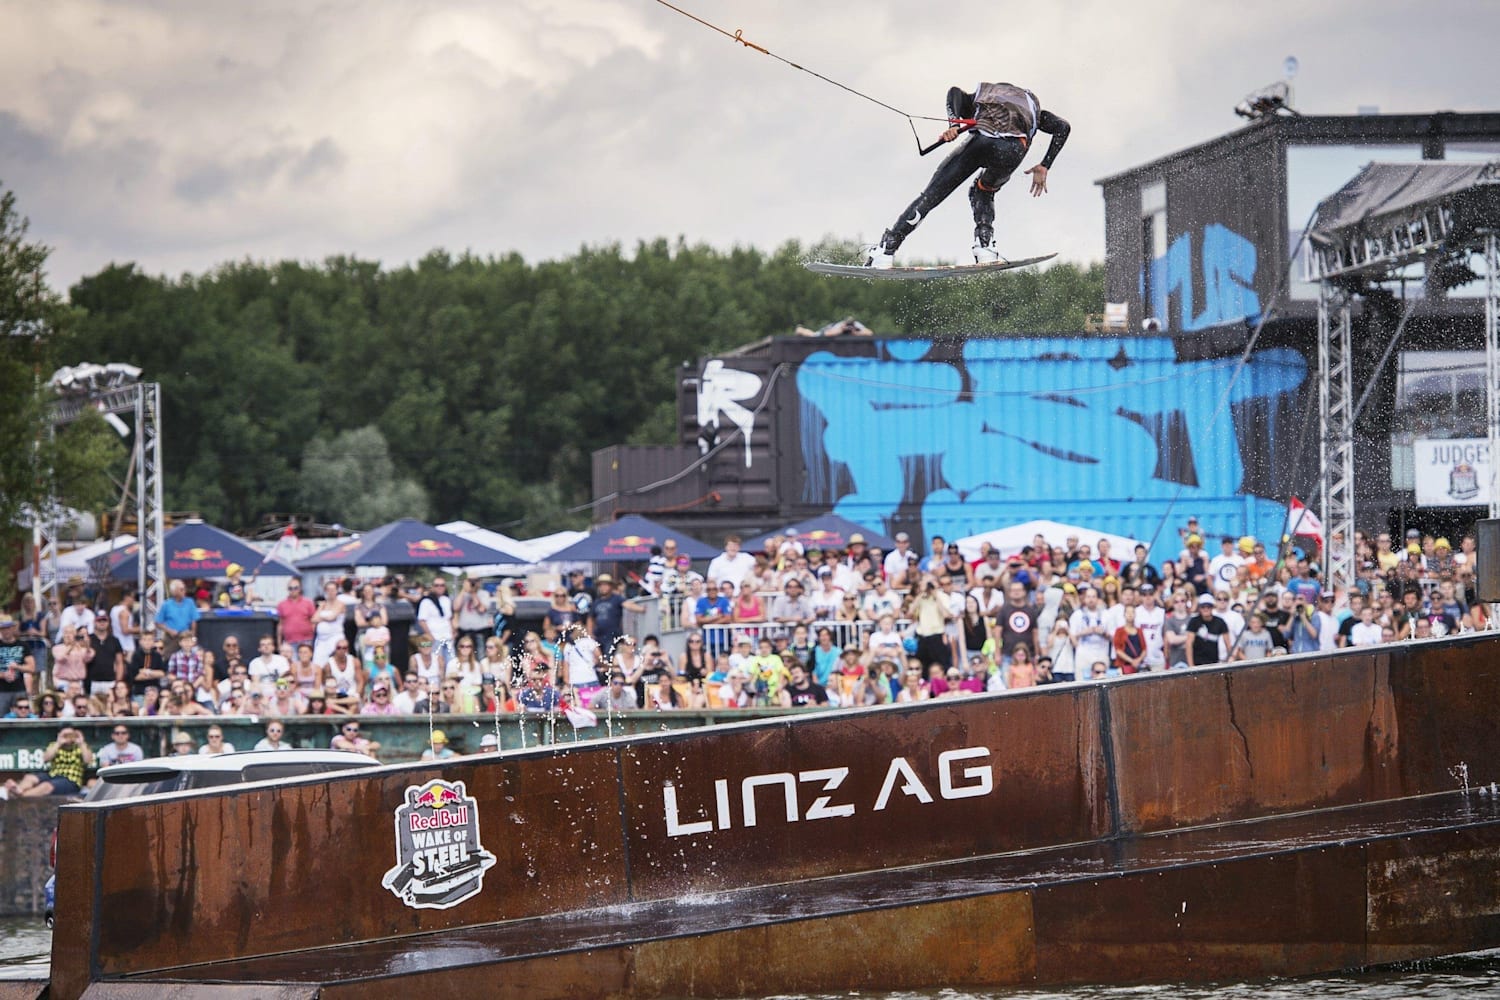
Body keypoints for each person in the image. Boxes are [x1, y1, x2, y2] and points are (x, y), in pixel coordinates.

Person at [864, 82, 1070, 267]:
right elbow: (1063, 127)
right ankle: (985, 247)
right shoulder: (1035, 111)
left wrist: (954, 124)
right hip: (1013, 151)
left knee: (930, 197)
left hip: (980, 142)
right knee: (983, 190)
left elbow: (953, 92)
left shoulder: (979, 97)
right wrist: (1045, 165)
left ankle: (887, 249)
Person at [3, 726, 93, 798]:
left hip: (71, 780)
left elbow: (88, 760)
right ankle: (19, 789)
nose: (68, 738)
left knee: (46, 786)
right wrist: (59, 742)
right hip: (53, 775)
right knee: (30, 777)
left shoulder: (81, 747)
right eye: (66, 735)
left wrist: (81, 742)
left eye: (70, 735)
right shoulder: (55, 745)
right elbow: (46, 758)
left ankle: (21, 795)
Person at [0, 614, 36, 716]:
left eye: (7, 628)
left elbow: (32, 668)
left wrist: (18, 667)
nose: (5, 631)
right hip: (1, 690)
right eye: (2, 629)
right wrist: (3, 675)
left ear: (12, 628)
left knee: (21, 717)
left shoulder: (23, 645)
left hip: (19, 689)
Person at [1186, 594, 1230, 667]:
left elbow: (1228, 643)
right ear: (1199, 608)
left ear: (1212, 607)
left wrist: (1229, 661)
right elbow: (1189, 644)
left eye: (1208, 607)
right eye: (1203, 607)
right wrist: (1191, 665)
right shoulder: (1194, 621)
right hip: (1197, 663)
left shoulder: (1219, 622)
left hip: (1214, 662)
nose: (1205, 609)